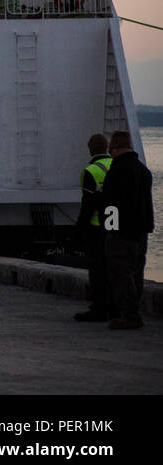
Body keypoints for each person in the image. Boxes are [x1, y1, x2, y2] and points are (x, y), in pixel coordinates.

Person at [100, 131, 154, 329]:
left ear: (114, 149)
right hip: (141, 231)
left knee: (120, 272)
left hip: (122, 232)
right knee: (135, 273)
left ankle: (129, 315)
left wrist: (110, 228)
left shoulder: (118, 170)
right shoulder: (143, 170)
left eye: (111, 150)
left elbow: (112, 204)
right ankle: (133, 312)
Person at [73, 133, 114, 321]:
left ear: (90, 148)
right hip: (115, 225)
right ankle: (115, 307)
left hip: (96, 227)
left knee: (97, 271)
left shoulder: (90, 171)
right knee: (114, 268)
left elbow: (87, 204)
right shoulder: (116, 165)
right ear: (106, 147)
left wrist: (79, 228)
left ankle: (98, 308)